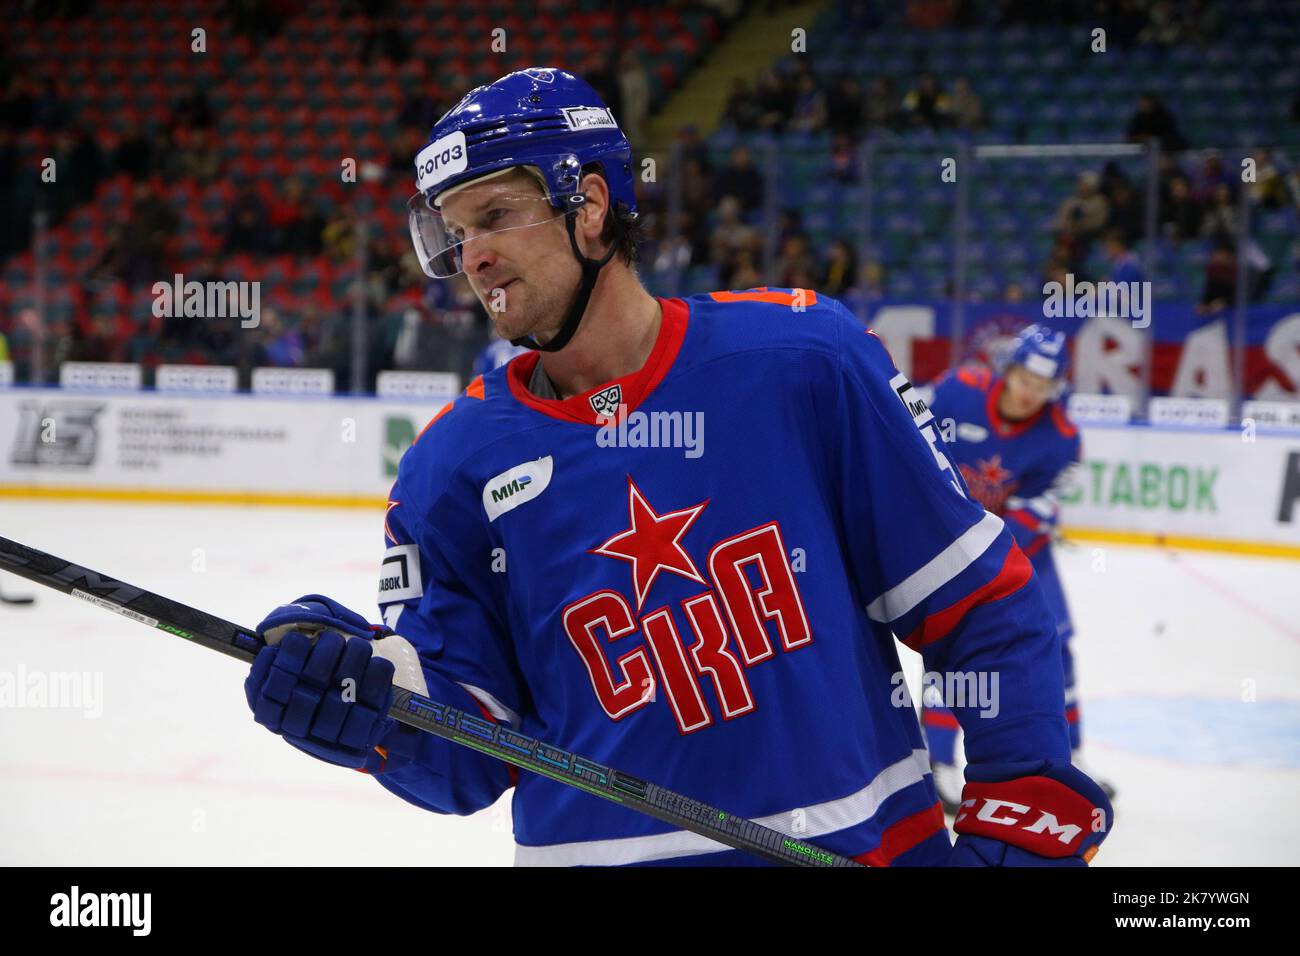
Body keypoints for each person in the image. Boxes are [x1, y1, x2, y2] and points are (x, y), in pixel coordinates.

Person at [241, 68, 1112, 867]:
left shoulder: (805, 360)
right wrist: (370, 704)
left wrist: (1021, 801)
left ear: (588, 205)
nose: (471, 257)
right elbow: (466, 757)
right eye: (454, 231)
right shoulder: (448, 470)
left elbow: (979, 607)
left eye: (495, 216)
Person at [921, 326, 1117, 811]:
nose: (1031, 393)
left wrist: (991, 555)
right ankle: (939, 763)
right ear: (1008, 369)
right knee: (948, 644)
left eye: (1043, 386)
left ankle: (1068, 759)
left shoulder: (1063, 437)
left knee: (1056, 646)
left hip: (1020, 552)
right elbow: (908, 442)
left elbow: (1038, 512)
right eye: (1025, 378)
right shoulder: (957, 390)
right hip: (945, 544)